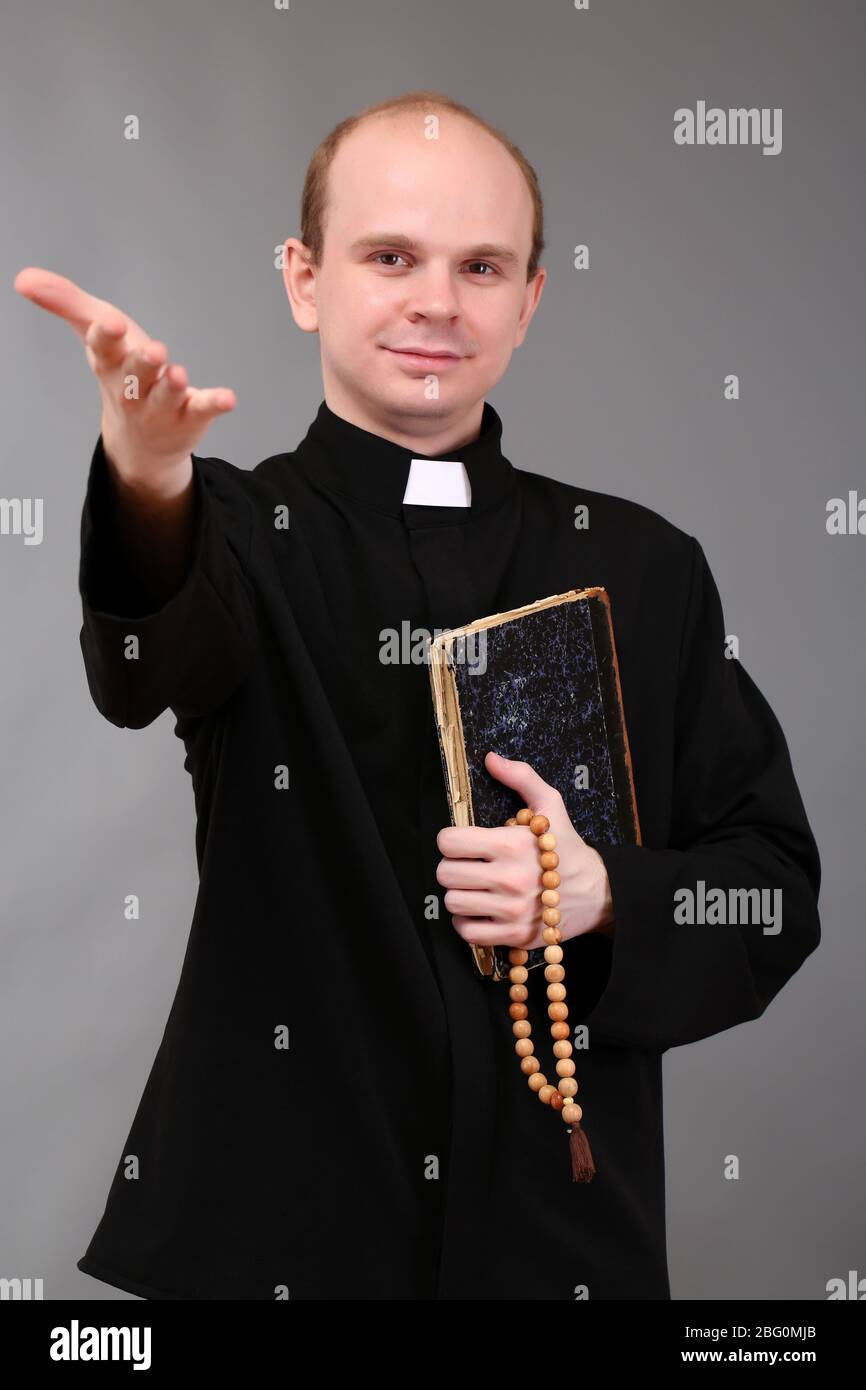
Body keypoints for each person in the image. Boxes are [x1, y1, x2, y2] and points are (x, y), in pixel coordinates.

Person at [14, 89, 821, 1301]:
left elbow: (767, 893)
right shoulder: (239, 532)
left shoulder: (644, 566)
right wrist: (142, 472)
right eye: (389, 256)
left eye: (481, 266)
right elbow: (137, 673)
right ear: (303, 278)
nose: (437, 302)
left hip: (559, 1243)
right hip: (277, 1243)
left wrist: (605, 897)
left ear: (530, 298)